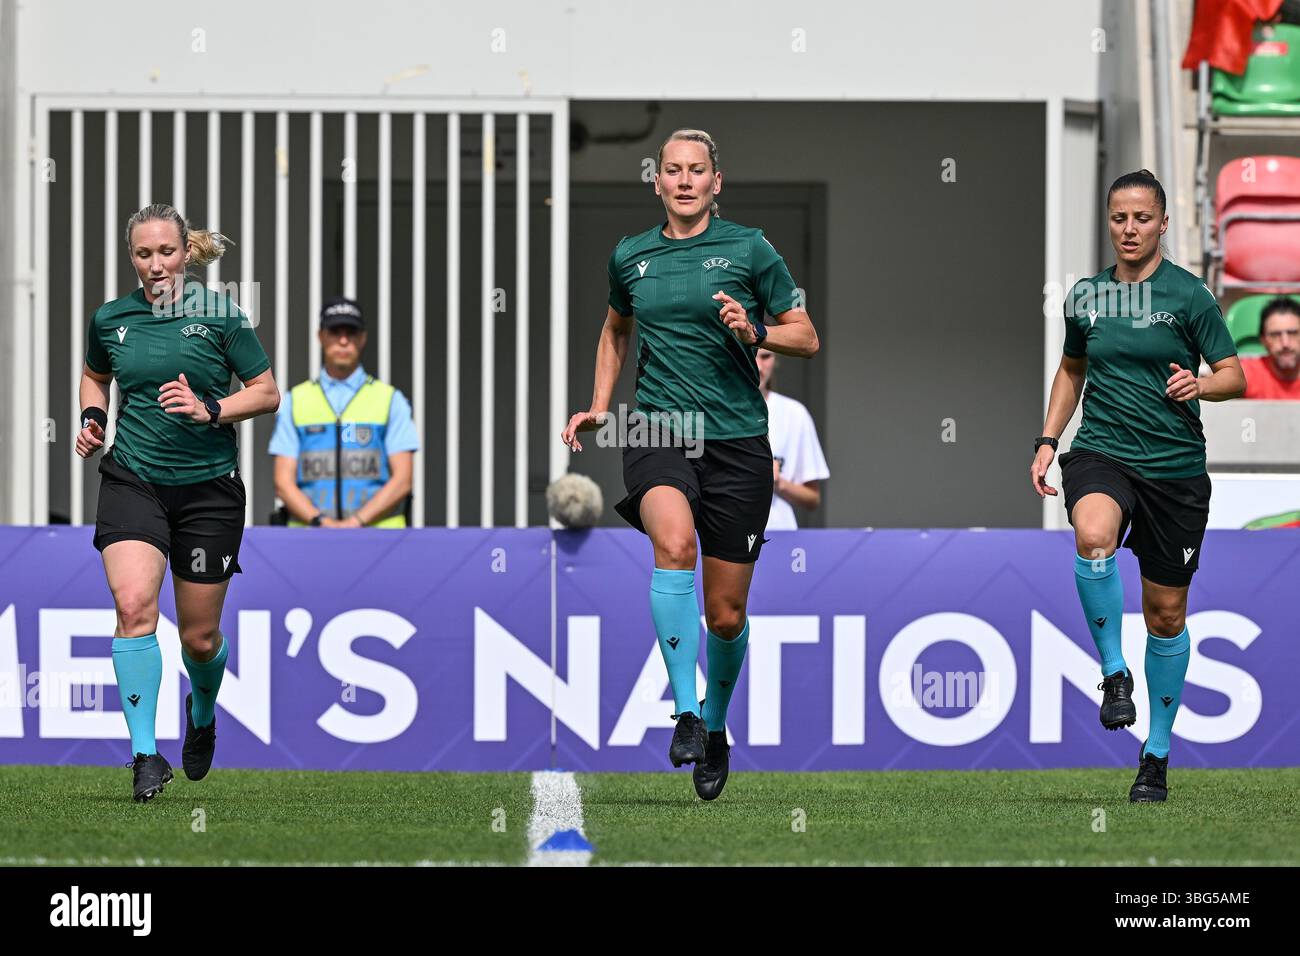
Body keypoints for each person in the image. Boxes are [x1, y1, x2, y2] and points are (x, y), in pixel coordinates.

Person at [562, 128, 819, 800]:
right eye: (671, 170)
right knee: (672, 544)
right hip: (657, 430)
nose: (683, 180)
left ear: (715, 181)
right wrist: (598, 404)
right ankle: (682, 711)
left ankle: (714, 723)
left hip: (738, 444)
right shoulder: (631, 256)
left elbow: (806, 335)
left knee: (727, 616)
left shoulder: (750, 248)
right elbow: (616, 329)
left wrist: (756, 330)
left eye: (695, 170)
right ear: (658, 181)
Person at [1030, 170, 1244, 803]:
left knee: (1166, 614)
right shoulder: (1088, 296)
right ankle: (1113, 672)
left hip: (1175, 471)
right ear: (1109, 220)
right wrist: (1047, 440)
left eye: (1142, 218)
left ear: (1164, 222)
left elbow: (1234, 375)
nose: (1129, 229)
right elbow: (1072, 368)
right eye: (1119, 218)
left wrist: (1200, 385)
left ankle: (1156, 755)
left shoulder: (1189, 297)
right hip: (1102, 453)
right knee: (1092, 535)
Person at [76, 203, 280, 801]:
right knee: (135, 603)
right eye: (144, 254)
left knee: (199, 637)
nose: (156, 264)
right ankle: (145, 757)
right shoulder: (111, 318)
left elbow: (267, 393)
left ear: (187, 252)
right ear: (132, 257)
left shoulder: (223, 315)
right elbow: (95, 376)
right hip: (133, 479)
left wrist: (209, 409)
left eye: (167, 252)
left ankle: (203, 709)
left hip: (209, 490)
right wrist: (91, 418)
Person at [268, 297, 417, 527]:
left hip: (380, 540)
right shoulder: (295, 400)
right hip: (311, 540)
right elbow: (283, 482)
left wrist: (355, 523)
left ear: (363, 338)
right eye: (335, 331)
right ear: (321, 336)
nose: (344, 340)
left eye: (352, 332)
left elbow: (402, 480)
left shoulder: (390, 400)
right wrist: (322, 522)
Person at [755, 348, 829, 530]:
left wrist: (778, 483)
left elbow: (813, 498)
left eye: (765, 356)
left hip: (780, 535)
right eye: (751, 354)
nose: (758, 366)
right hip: (725, 535)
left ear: (776, 360)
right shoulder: (712, 412)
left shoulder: (795, 413)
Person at [1241, 296, 1300, 399]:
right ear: (1263, 340)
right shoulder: (1245, 374)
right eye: (1275, 335)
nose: (1285, 343)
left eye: (1292, 333)